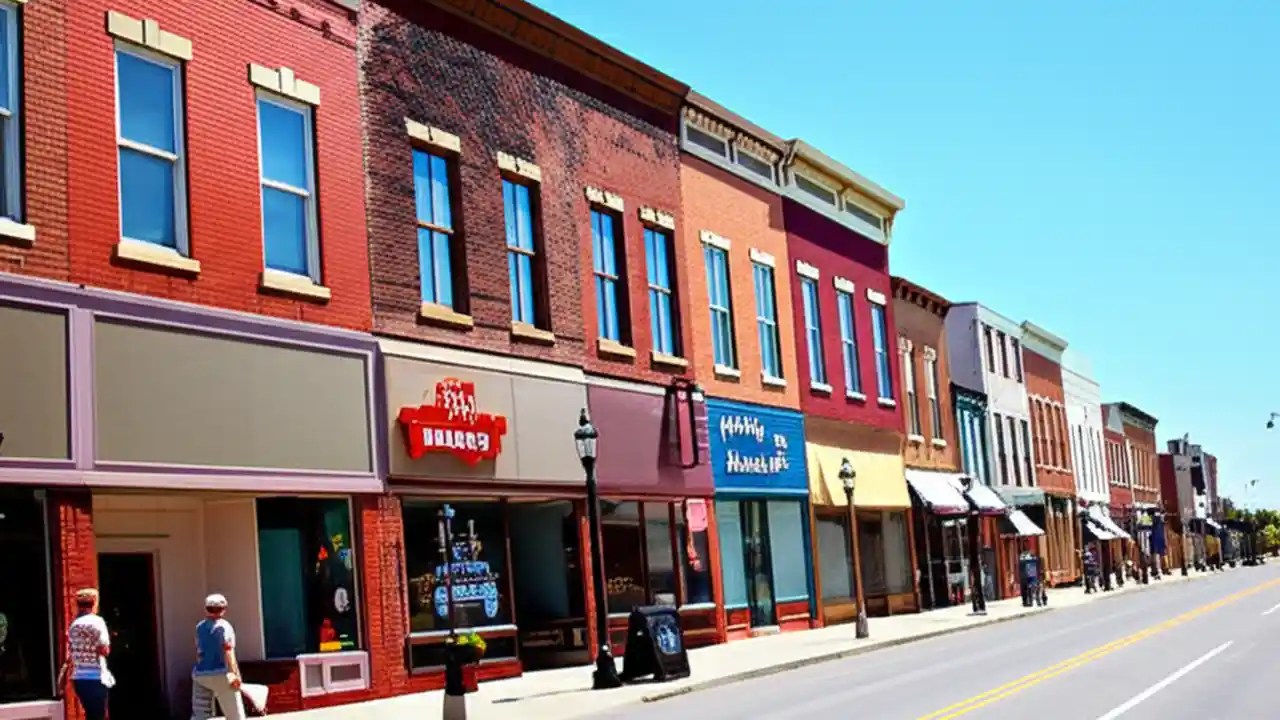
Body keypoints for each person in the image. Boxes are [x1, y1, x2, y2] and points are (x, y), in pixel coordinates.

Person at [191, 593, 245, 720]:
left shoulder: (200, 627)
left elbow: (199, 652)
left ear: (206, 609)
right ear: (224, 609)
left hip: (201, 674)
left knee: (200, 713)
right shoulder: (224, 626)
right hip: (222, 674)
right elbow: (228, 650)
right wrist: (235, 674)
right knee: (234, 714)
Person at [62, 588, 111, 720]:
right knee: (99, 714)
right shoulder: (98, 622)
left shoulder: (73, 625)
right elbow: (104, 650)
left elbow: (71, 650)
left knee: (90, 713)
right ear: (94, 602)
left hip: (79, 677)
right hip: (96, 676)